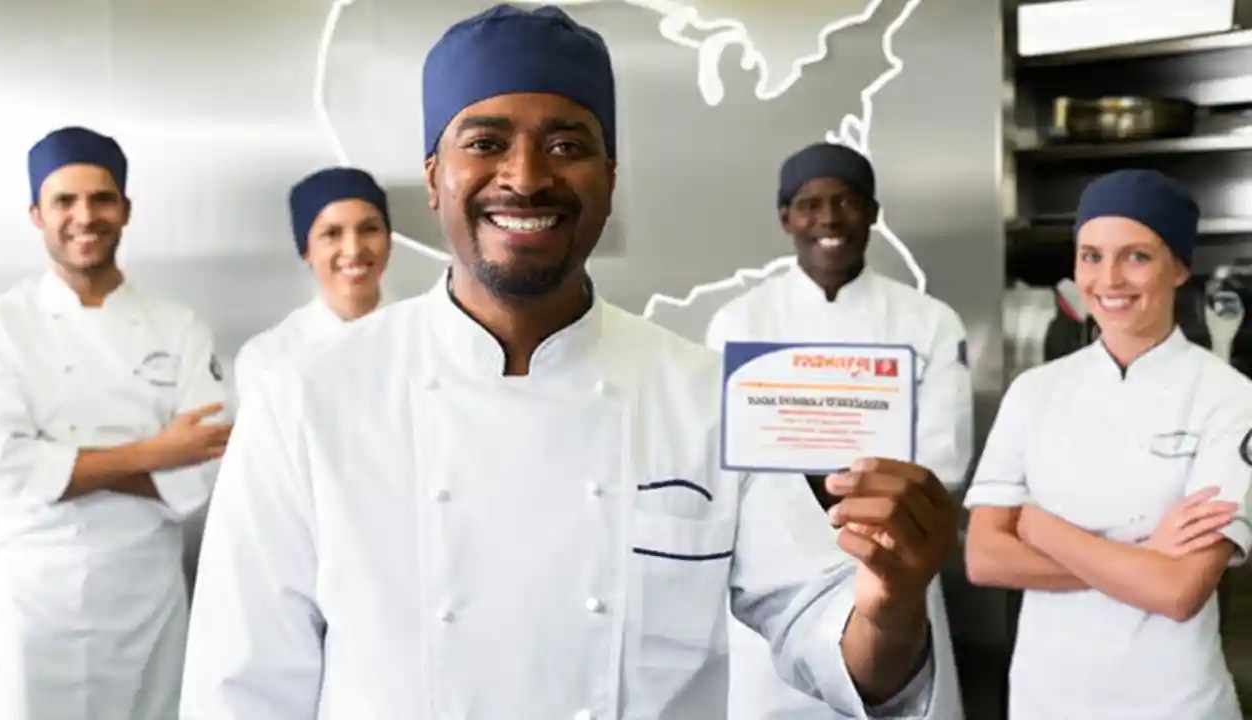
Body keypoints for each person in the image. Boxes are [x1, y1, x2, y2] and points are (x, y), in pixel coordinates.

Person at [179, 6, 958, 718]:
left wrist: (892, 597)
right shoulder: (306, 401)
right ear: (433, 177)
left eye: (566, 145)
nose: (525, 177)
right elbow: (242, 688)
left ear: (609, 178)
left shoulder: (704, 396)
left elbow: (826, 639)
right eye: (485, 142)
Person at [963, 169, 1252, 719]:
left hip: (1175, 704)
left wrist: (1037, 525)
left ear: (1180, 267)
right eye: (1091, 256)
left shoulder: (1229, 399)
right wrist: (1143, 559)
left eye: (1136, 256)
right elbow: (984, 558)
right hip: (1045, 701)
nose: (1109, 279)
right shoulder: (1035, 391)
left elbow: (1178, 591)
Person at [0, 126, 232, 719]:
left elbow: (202, 474)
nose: (84, 216)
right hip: (36, 603)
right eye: (65, 200)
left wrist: (59, 466)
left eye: (101, 198)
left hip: (145, 598)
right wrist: (155, 453)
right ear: (37, 214)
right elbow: (2, 473)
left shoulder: (179, 327)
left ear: (126, 209)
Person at [706, 141, 971, 719]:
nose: (828, 219)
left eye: (846, 202)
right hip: (769, 574)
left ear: (872, 213)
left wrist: (818, 473)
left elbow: (942, 463)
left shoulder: (928, 322)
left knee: (892, 695)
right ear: (786, 218)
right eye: (809, 205)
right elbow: (726, 464)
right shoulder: (739, 323)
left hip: (890, 559)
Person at [233, 166, 394, 399]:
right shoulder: (267, 359)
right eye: (332, 233)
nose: (354, 249)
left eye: (369, 229)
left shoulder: (424, 340)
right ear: (306, 250)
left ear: (389, 240)